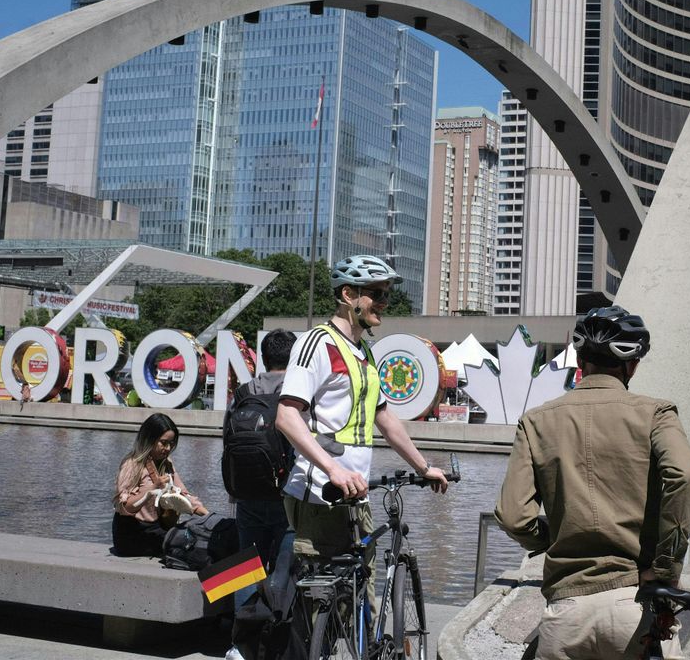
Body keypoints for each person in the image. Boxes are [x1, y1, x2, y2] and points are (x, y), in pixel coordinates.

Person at [495, 306, 690, 660]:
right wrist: (666, 568)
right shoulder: (656, 413)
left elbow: (513, 516)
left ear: (580, 360)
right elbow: (685, 476)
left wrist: (548, 538)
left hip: (565, 609)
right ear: (632, 364)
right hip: (637, 603)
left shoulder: (535, 421)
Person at [275, 255, 449, 610]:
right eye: (376, 293)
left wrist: (422, 467)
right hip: (320, 494)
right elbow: (286, 417)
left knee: (362, 590)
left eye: (386, 295)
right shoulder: (316, 343)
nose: (385, 303)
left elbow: (383, 417)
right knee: (318, 602)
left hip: (358, 491)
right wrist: (333, 469)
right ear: (347, 294)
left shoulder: (363, 351)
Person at [225, 328, 295, 660]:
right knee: (282, 574)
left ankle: (240, 648)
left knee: (245, 570)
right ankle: (274, 647)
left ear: (263, 358)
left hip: (247, 496)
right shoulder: (294, 394)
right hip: (286, 497)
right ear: (293, 358)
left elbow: (227, 440)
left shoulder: (241, 393)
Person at [112, 412, 209, 557]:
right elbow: (124, 507)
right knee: (188, 546)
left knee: (198, 538)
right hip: (132, 533)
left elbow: (183, 494)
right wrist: (152, 488)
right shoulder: (132, 465)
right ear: (149, 440)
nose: (168, 448)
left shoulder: (167, 464)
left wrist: (209, 517)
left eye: (171, 443)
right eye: (164, 443)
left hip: (156, 529)